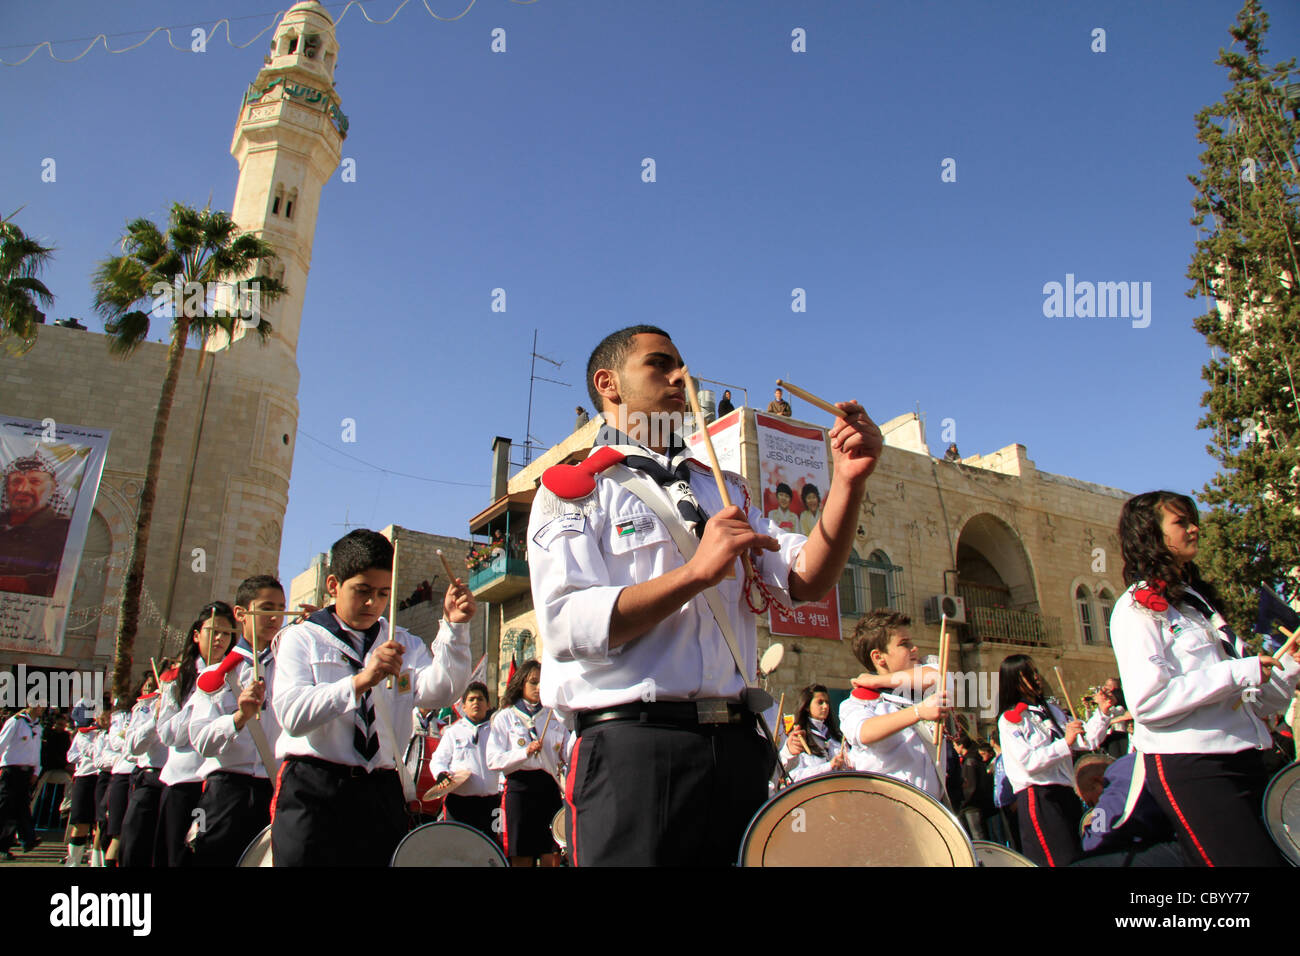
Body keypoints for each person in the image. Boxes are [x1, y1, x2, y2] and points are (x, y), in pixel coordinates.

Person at [529, 325, 881, 865]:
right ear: (609, 384)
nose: (681, 376)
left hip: (737, 746)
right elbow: (566, 626)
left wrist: (848, 482)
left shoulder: (727, 486)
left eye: (682, 365)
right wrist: (696, 573)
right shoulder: (572, 488)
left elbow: (804, 579)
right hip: (634, 748)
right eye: (659, 364)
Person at [1110, 490, 1300, 867]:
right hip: (1197, 770)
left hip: (1248, 760)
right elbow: (1149, 703)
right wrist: (1237, 672)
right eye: (1181, 522)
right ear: (1150, 535)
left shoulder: (1200, 608)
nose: (1194, 529)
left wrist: (1289, 667)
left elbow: (1258, 704)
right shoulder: (1136, 609)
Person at [270, 529, 475, 867]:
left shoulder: (402, 641)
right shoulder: (301, 639)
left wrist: (455, 630)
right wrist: (361, 681)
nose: (372, 603)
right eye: (362, 591)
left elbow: (442, 690)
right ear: (333, 585)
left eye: (383, 593)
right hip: (315, 787)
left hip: (379, 788)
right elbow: (293, 715)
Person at [188, 575, 287, 867]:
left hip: (276, 790)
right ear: (241, 613)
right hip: (227, 792)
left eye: (281, 608)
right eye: (267, 608)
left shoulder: (290, 669)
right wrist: (239, 717)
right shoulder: (216, 675)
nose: (275, 617)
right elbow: (202, 742)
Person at [997, 654, 1109, 867]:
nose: (1037, 678)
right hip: (1039, 796)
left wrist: (1102, 714)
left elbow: (1086, 740)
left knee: (1078, 857)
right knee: (1057, 860)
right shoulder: (1011, 719)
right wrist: (1064, 743)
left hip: (1065, 792)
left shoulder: (1052, 712)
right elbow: (1028, 762)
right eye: (1029, 674)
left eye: (1036, 672)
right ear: (1015, 681)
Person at [155, 603, 235, 867]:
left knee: (204, 855)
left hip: (218, 786)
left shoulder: (236, 675)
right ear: (196, 635)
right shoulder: (178, 679)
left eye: (226, 633)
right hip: (184, 783)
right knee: (177, 856)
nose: (220, 639)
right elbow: (168, 734)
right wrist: (199, 701)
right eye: (213, 631)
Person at [841, 611, 949, 799]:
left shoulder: (921, 689)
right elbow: (864, 732)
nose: (914, 649)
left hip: (930, 810)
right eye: (904, 644)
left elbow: (938, 675)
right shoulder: (860, 700)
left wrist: (878, 681)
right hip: (887, 813)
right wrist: (917, 712)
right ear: (879, 657)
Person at [486, 661, 565, 865]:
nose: (538, 688)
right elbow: (493, 760)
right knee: (522, 853)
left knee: (551, 853)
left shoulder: (554, 716)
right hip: (520, 789)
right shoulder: (505, 717)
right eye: (533, 682)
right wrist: (524, 753)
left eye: (542, 683)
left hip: (549, 788)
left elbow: (567, 754)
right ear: (521, 683)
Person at [1072, 752, 1185, 867]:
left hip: (1189, 849)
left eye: (1092, 803)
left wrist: (1090, 828)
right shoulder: (1135, 761)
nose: (1095, 809)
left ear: (1097, 782)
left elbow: (1096, 841)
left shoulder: (1120, 774)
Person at [430, 681, 501, 843]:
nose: (476, 702)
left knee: (489, 848)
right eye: (471, 699)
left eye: (480, 699)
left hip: (490, 802)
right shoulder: (453, 732)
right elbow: (438, 760)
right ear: (464, 706)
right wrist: (441, 774)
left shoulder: (496, 732)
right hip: (460, 803)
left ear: (488, 705)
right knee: (458, 848)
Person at [0, 453, 72, 597]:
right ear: (7, 488)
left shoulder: (63, 530)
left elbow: (60, 582)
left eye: (34, 482)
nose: (22, 489)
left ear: (51, 489)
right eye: (16, 482)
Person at [120, 670, 168, 867]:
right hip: (150, 779)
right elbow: (133, 747)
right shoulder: (146, 706)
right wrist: (156, 718)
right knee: (135, 842)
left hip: (181, 784)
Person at [0, 705, 45, 857]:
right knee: (6, 808)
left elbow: (36, 750)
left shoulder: (38, 725)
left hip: (26, 772)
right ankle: (24, 839)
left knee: (21, 806)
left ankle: (23, 840)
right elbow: (2, 743)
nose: (42, 708)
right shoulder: (16, 721)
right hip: (11, 769)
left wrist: (36, 771)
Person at [778, 684, 846, 782]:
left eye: (827, 702)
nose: (825, 706)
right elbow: (794, 775)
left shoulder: (836, 736)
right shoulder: (798, 738)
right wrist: (829, 766)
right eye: (820, 702)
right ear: (807, 706)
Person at [64, 718, 102, 866]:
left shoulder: (110, 732)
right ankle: (73, 862)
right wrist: (86, 757)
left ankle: (96, 861)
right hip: (85, 777)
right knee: (80, 823)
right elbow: (71, 756)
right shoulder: (84, 734)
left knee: (98, 825)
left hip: (102, 777)